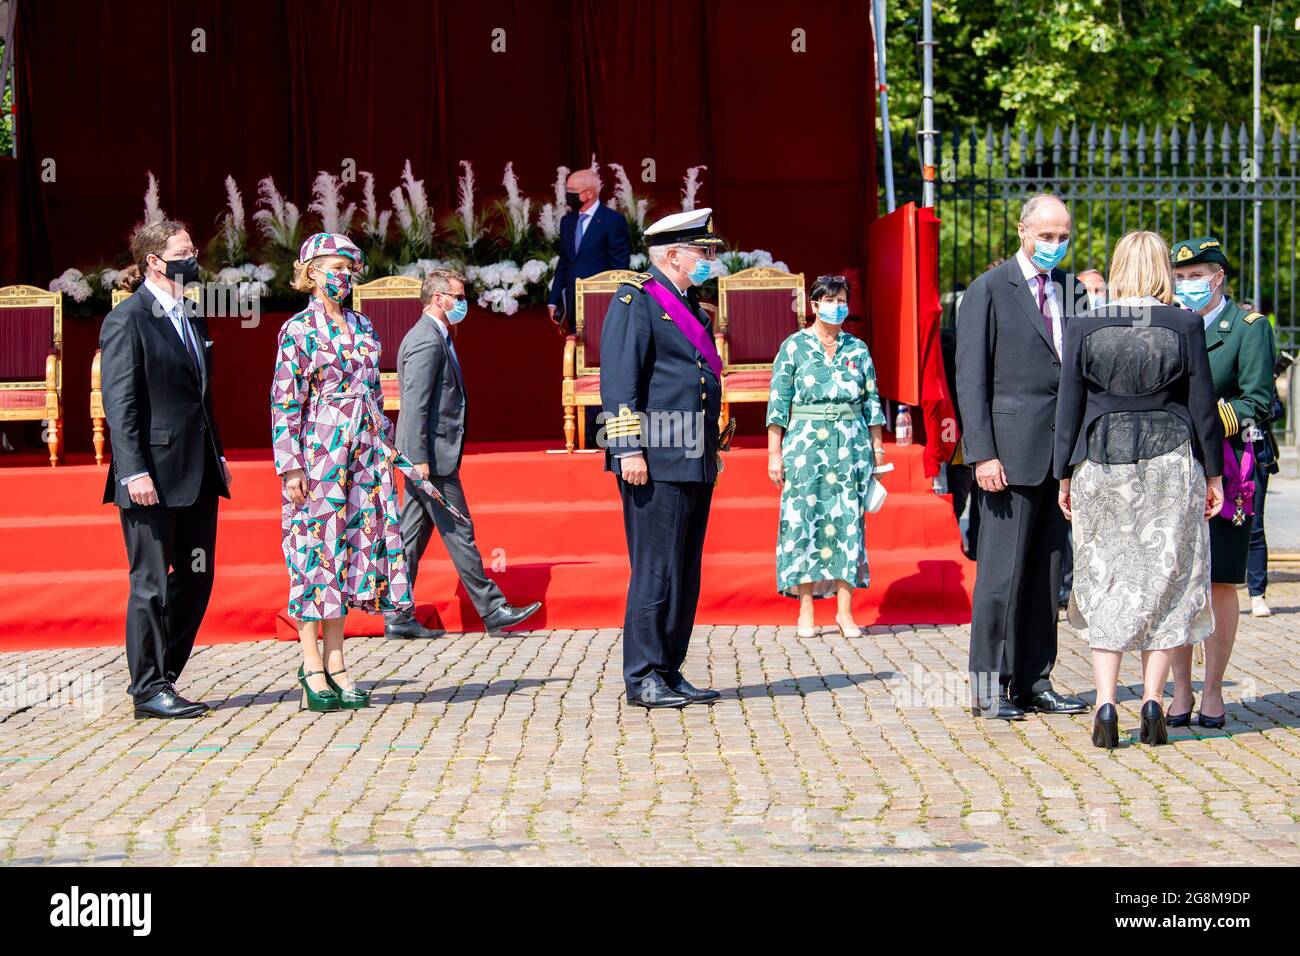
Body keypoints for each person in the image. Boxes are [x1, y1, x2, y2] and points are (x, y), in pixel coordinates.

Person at [271, 233, 461, 712]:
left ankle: (337, 664)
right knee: (314, 556)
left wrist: (389, 449)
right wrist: (290, 465)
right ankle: (311, 665)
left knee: (348, 554)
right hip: (318, 455)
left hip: (363, 456)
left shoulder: (363, 326)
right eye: (336, 267)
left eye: (350, 269)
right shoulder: (297, 330)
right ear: (312, 271)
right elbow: (284, 402)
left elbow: (376, 395)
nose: (345, 277)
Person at [1054, 231, 1225, 749]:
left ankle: (1107, 704)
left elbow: (1070, 407)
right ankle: (1152, 702)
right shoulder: (1183, 323)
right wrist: (1215, 474)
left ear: (1118, 266)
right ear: (1161, 271)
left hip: (1102, 462)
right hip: (1170, 461)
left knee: (1104, 578)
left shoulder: (1083, 324)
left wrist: (1064, 472)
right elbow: (1202, 406)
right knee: (1165, 581)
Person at [954, 194, 1089, 721]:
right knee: (1000, 579)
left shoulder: (1072, 291)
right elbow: (971, 379)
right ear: (1022, 231)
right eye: (1046, 235)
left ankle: (1035, 680)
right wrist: (982, 454)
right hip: (1006, 459)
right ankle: (989, 686)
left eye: (1063, 236)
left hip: (1059, 459)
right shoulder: (988, 291)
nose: (1054, 245)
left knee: (1045, 575)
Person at [101, 219, 231, 719]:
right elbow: (122, 403)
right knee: (151, 582)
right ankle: (147, 688)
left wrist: (217, 453)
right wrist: (133, 471)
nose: (193, 256)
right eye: (184, 250)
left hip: (198, 471)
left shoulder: (193, 314)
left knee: (197, 576)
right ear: (155, 261)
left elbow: (202, 395)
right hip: (150, 475)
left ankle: (165, 673)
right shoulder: (128, 320)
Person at [600, 207, 724, 709]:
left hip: (693, 452)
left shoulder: (690, 305)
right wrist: (628, 447)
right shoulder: (638, 299)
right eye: (704, 252)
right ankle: (644, 672)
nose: (710, 260)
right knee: (655, 568)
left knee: (685, 568)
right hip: (653, 453)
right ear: (673, 255)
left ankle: (669, 667)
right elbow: (620, 381)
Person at [385, 268, 542, 639]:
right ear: (439, 298)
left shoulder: (435, 334)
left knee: (411, 536)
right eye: (458, 296)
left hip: (428, 455)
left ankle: (397, 614)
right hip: (432, 458)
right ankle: (492, 608)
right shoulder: (426, 339)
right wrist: (418, 457)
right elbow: (416, 405)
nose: (463, 303)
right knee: (459, 530)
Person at [1169, 237, 1276, 728]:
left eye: (1198, 276)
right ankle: (1181, 691)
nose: (1188, 285)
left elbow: (1257, 401)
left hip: (1231, 466)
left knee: (1218, 581)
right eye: (1181, 277)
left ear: (1219, 278)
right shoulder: (1170, 322)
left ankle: (1213, 691)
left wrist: (1201, 423)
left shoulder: (1248, 329)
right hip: (1173, 464)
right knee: (1173, 578)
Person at [765, 275, 887, 637]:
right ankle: (806, 610)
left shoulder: (858, 349)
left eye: (842, 300)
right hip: (804, 446)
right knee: (803, 521)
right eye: (829, 300)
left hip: (850, 445)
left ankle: (845, 612)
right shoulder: (793, 347)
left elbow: (873, 406)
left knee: (849, 524)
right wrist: (775, 454)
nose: (837, 306)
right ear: (814, 306)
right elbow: (777, 406)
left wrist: (878, 454)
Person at [547, 168, 632, 332]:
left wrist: (617, 304)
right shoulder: (567, 221)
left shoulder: (613, 221)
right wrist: (553, 299)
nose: (568, 194)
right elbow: (564, 262)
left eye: (573, 190)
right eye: (567, 189)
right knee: (578, 351)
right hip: (573, 302)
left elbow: (620, 267)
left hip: (601, 303)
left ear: (590, 193)